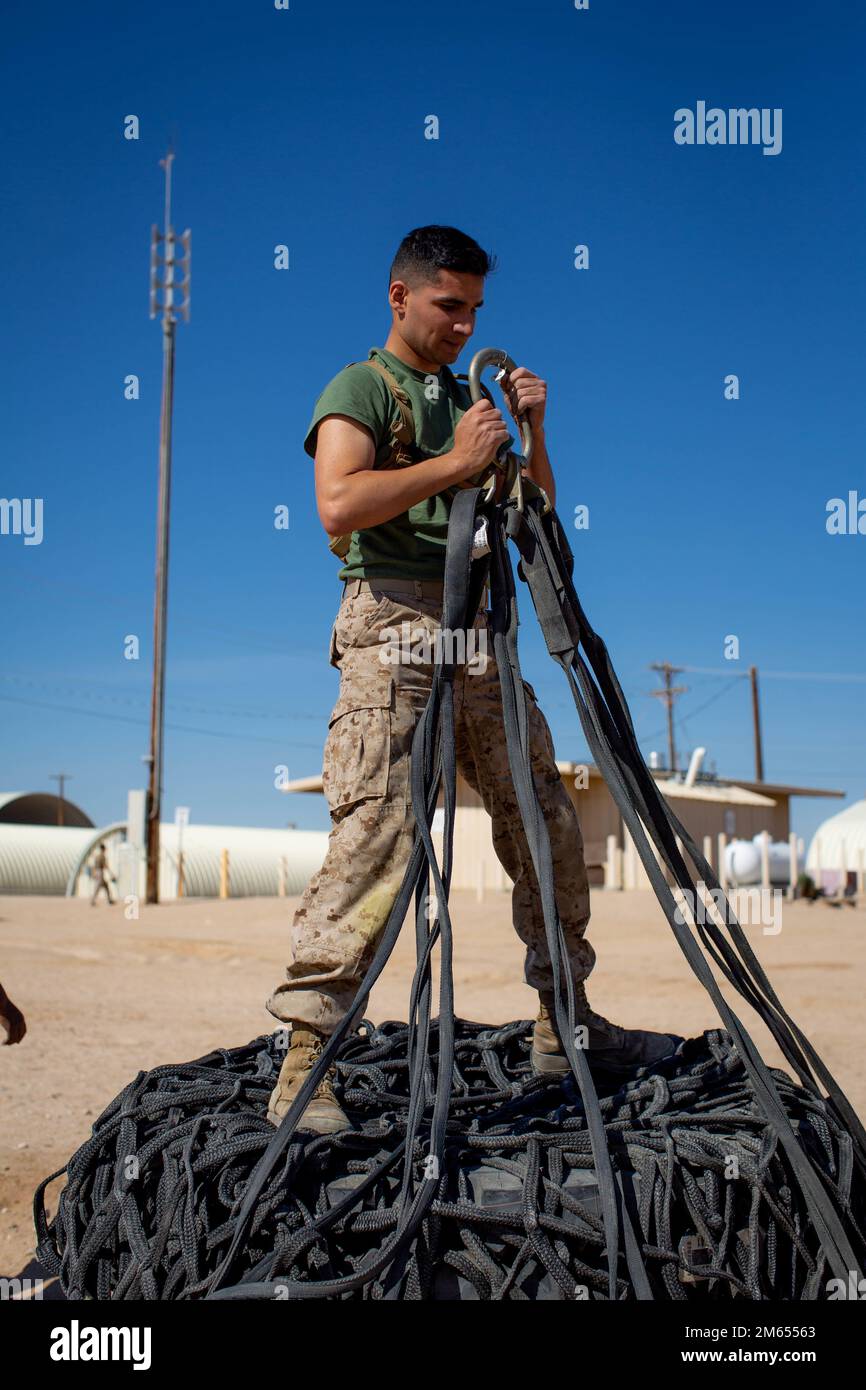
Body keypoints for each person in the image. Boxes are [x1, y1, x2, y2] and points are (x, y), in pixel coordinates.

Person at [266, 225, 679, 1132]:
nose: (462, 325)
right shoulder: (362, 388)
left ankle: (562, 1019)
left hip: (482, 634)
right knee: (382, 827)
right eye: (449, 306)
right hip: (398, 627)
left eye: (475, 311)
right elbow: (337, 504)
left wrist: (529, 428)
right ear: (400, 296)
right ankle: (308, 1055)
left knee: (542, 814)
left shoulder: (470, 397)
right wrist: (452, 462)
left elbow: (532, 504)